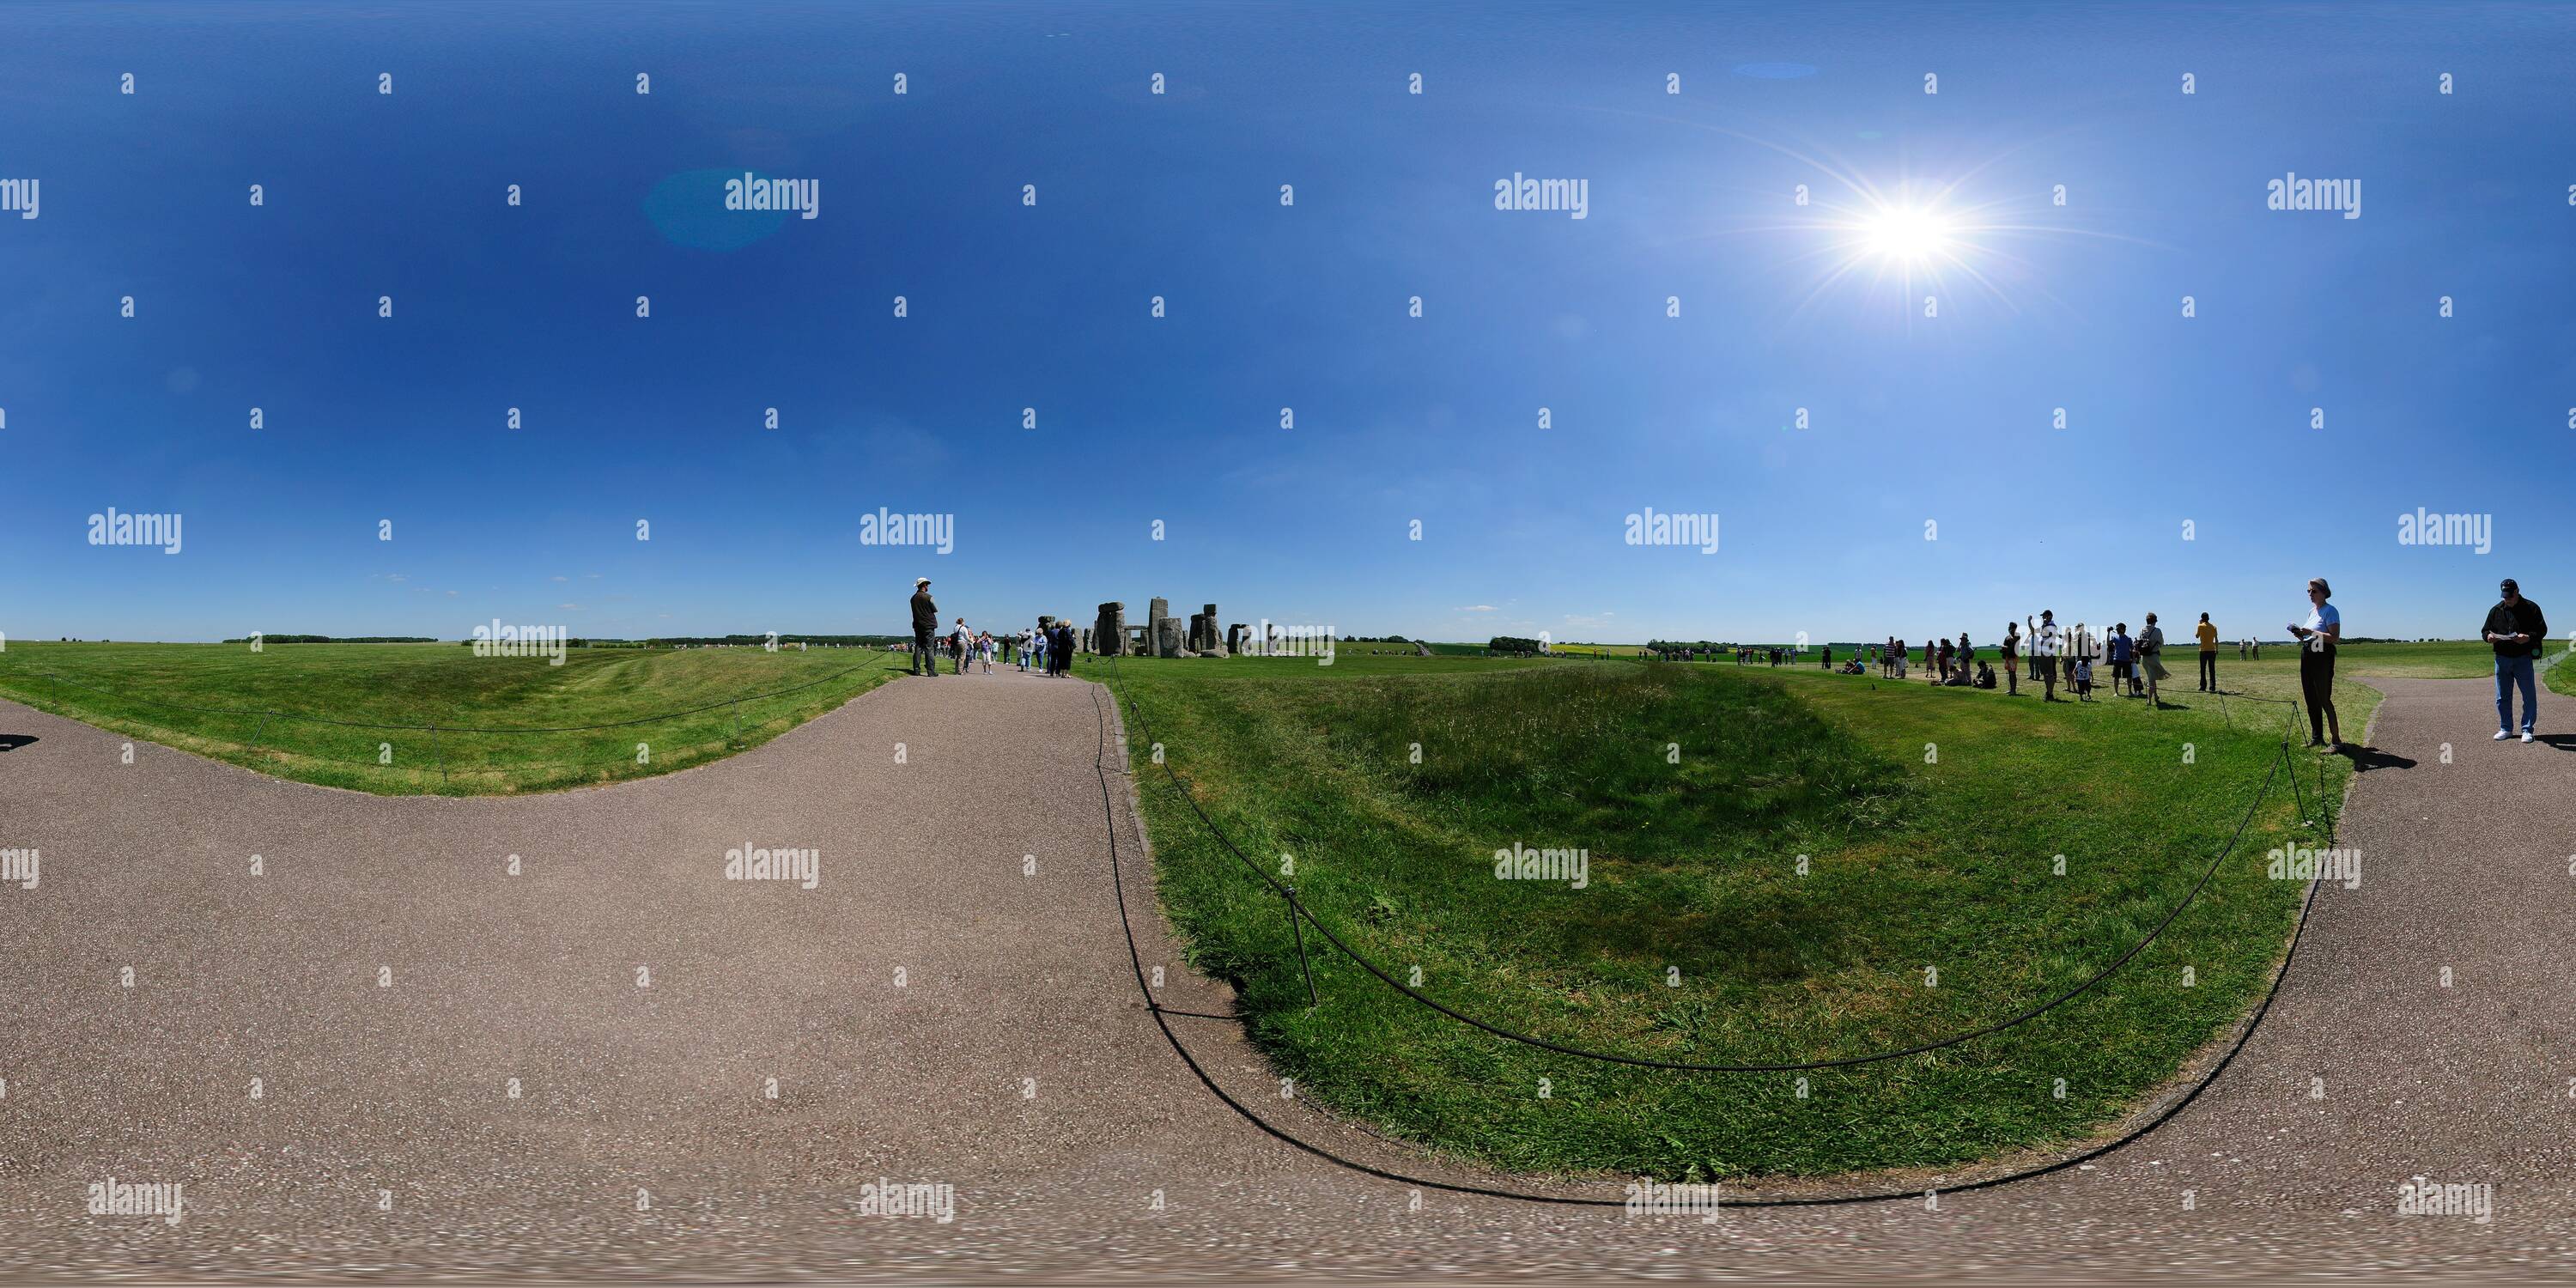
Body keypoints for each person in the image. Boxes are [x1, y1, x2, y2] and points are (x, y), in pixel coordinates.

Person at [2483, 577, 2549, 742]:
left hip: (2523, 658)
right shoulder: (2496, 610)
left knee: (2528, 695)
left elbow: (2542, 629)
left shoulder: (2532, 608)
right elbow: (2485, 630)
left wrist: (2528, 637)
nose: (2507, 599)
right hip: (2502, 659)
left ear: (2517, 592)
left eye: (2510, 596)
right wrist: (2489, 636)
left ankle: (2527, 730)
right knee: (2502, 696)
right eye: (2504, 596)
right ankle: (2506, 728)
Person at [2287, 577, 2343, 751]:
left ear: (2324, 592)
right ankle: (2317, 737)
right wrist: (2302, 635)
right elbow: (2312, 636)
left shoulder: (2330, 611)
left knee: (2324, 699)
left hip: (2322, 656)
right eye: (2308, 591)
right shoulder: (2312, 612)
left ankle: (2336, 741)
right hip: (2308, 652)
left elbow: (2334, 638)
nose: (2310, 594)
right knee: (2310, 698)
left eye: (2314, 591)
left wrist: (2311, 632)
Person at [908, 578, 940, 677]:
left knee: (918, 647)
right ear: (925, 585)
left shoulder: (913, 598)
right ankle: (931, 671)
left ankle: (916, 670)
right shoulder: (929, 597)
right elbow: (935, 609)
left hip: (918, 625)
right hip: (929, 625)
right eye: (927, 585)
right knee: (929, 648)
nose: (928, 587)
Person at [2138, 612, 2167, 706]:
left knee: (2152, 677)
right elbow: (2161, 644)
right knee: (2151, 679)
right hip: (2153, 657)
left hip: (2144, 658)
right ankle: (2149, 700)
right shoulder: (2157, 630)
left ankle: (2156, 696)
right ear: (2155, 621)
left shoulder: (2142, 630)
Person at [2035, 610, 2063, 701]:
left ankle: (2050, 693)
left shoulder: (2052, 626)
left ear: (2049, 616)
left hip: (2047, 651)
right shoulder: (2045, 626)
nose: (2043, 618)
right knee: (2045, 674)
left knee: (2049, 673)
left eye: (2044, 616)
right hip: (2042, 651)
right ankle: (2048, 692)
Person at [2196, 612, 2219, 692]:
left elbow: (2197, 636)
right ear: (2208, 618)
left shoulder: (2200, 626)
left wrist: (2199, 623)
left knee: (2203, 669)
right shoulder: (2214, 627)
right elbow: (2216, 639)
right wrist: (2217, 649)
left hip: (2203, 650)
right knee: (2212, 669)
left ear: (2202, 618)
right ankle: (2212, 687)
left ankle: (2203, 687)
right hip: (2212, 650)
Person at [2108, 624, 2133, 695]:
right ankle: (2116, 692)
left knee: (2129, 677)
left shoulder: (2128, 638)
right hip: (2117, 659)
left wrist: (2133, 659)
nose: (2117, 629)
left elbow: (2132, 649)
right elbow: (2108, 643)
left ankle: (2130, 691)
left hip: (2127, 660)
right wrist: (2108, 633)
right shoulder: (2114, 637)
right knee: (2116, 677)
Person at [1999, 622, 2020, 696]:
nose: (2009, 628)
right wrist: (2003, 647)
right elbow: (2004, 645)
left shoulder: (2017, 636)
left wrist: (2005, 647)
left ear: (2014, 628)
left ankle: (2013, 690)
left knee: (2012, 674)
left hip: (2013, 657)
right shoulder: (2007, 637)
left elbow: (2012, 645)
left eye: (2010, 627)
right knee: (2010, 673)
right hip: (2007, 657)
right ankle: (2011, 689)